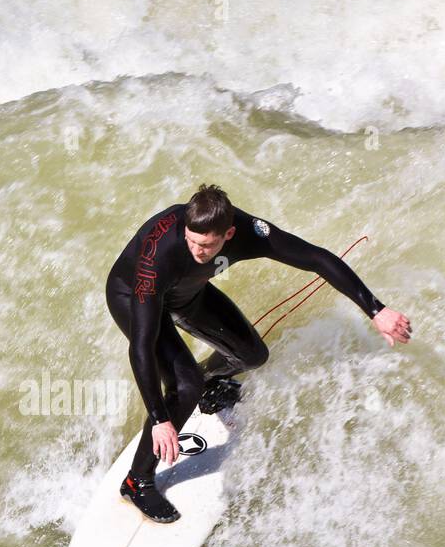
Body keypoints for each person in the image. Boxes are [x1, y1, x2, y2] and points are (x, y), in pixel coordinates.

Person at [105, 184, 412, 523]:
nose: (197, 250)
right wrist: (161, 419)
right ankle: (137, 481)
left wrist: (376, 310)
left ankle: (207, 383)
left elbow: (317, 258)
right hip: (132, 297)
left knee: (251, 356)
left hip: (187, 294)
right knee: (184, 383)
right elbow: (142, 347)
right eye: (191, 240)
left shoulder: (250, 233)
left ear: (229, 234)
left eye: (207, 245)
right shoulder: (158, 255)